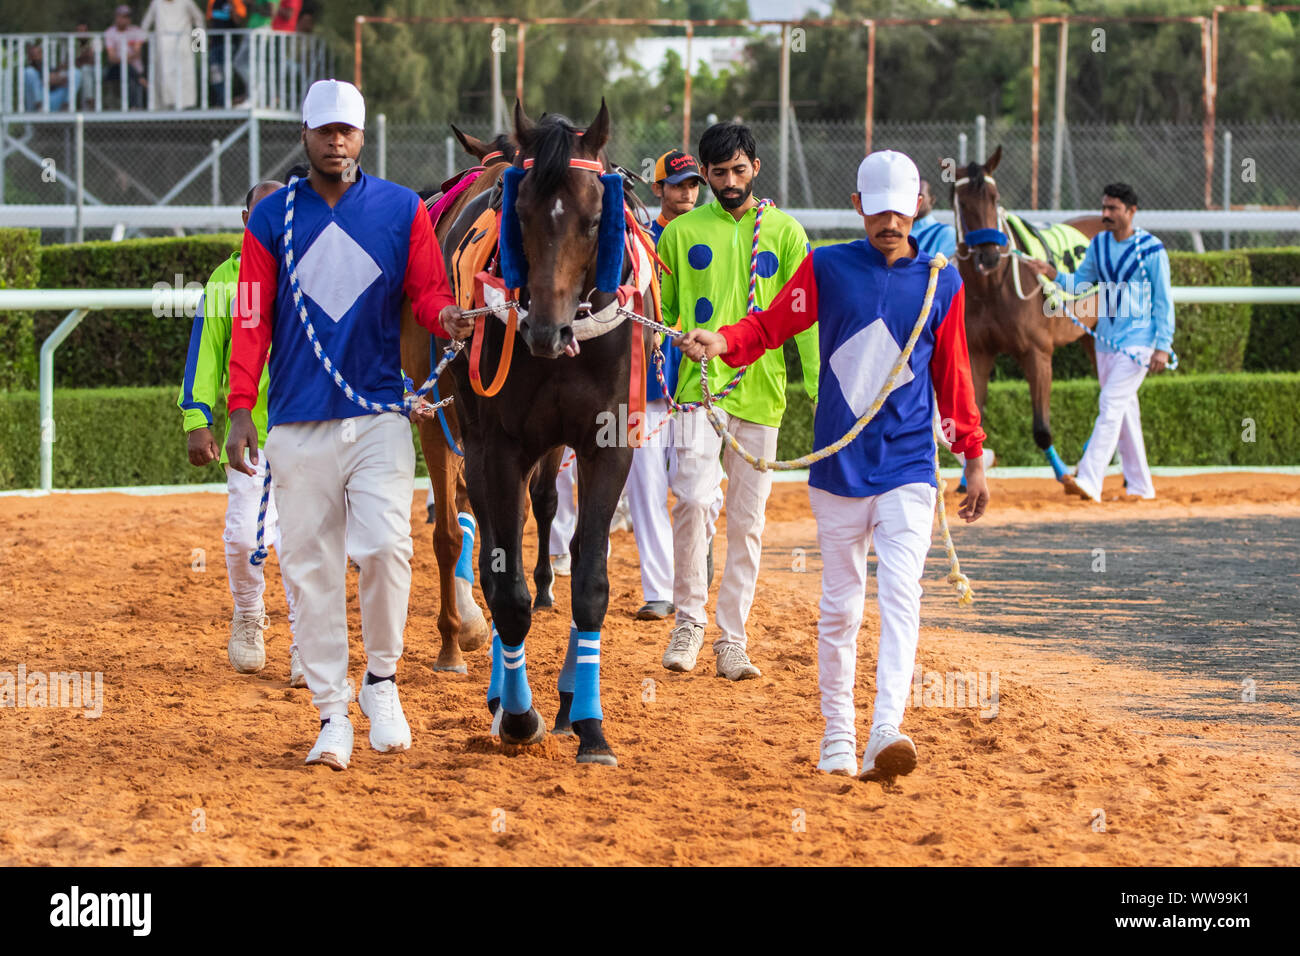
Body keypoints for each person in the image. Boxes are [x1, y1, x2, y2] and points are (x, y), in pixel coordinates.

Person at [678, 149, 989, 779]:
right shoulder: (826, 267)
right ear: (858, 207)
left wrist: (973, 456)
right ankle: (838, 735)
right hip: (839, 471)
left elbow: (952, 377)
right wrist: (725, 341)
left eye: (900, 211)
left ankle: (886, 729)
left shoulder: (942, 280)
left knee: (902, 596)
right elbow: (769, 327)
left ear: (918, 205)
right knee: (843, 606)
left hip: (909, 469)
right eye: (878, 211)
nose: (890, 223)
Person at [226, 79, 469, 771]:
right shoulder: (272, 220)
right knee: (310, 571)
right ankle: (332, 711)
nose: (337, 141)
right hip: (296, 421)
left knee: (390, 549)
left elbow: (425, 291)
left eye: (348, 131)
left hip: (379, 413)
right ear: (305, 135)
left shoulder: (401, 209)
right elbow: (250, 315)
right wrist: (241, 406)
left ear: (363, 137)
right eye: (325, 130)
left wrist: (446, 314)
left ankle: (382, 682)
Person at [657, 121, 820, 681]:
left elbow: (806, 323)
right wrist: (668, 334)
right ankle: (688, 621)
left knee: (747, 523)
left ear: (755, 166)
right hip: (695, 389)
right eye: (719, 172)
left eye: (738, 170)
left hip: (762, 393)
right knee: (693, 501)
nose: (730, 181)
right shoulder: (677, 234)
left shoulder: (786, 233)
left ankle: (732, 638)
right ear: (704, 173)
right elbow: (665, 312)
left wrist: (824, 394)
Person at [178, 179, 305, 683]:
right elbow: (205, 354)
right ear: (245, 219)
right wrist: (197, 419)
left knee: (304, 539)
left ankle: (305, 639)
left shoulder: (309, 269)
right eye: (261, 212)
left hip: (304, 428)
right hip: (245, 432)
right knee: (238, 536)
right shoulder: (225, 281)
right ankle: (249, 613)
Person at [1023, 183, 1174, 503]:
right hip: (1107, 341)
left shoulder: (1152, 249)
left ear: (1131, 212)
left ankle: (1090, 478)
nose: (1105, 214)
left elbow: (1164, 301)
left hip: (1139, 343)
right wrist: (1051, 273)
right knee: (1124, 411)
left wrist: (1163, 345)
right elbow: (1080, 283)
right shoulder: (1100, 245)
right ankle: (1141, 485)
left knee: (1110, 406)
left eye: (1113, 209)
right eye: (1104, 207)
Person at [142, 0, 205, 110]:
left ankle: (185, 105)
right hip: (163, 46)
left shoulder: (186, 2)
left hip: (183, 44)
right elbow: (145, 25)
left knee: (185, 74)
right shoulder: (157, 3)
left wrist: (198, 44)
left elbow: (199, 18)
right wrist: (145, 40)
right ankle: (167, 105)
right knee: (165, 76)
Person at [104, 5, 149, 109]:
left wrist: (122, 59)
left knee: (130, 76)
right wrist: (125, 59)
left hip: (134, 69)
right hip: (116, 69)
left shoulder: (136, 31)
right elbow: (111, 58)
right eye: (122, 16)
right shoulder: (110, 32)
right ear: (116, 17)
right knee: (126, 69)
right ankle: (141, 82)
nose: (125, 20)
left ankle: (135, 107)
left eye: (127, 17)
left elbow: (137, 53)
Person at [910, 178, 957, 259]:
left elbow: (943, 269)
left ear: (932, 200)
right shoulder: (898, 230)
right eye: (910, 194)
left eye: (920, 195)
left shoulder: (946, 233)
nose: (913, 199)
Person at [23, 41, 70, 112]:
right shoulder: (30, 69)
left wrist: (53, 79)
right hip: (39, 98)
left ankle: (66, 105)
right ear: (29, 56)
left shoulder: (46, 66)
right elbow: (47, 79)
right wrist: (51, 80)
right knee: (30, 72)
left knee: (74, 75)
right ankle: (39, 105)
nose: (36, 55)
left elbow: (55, 77)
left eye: (38, 53)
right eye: (33, 54)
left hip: (52, 97)